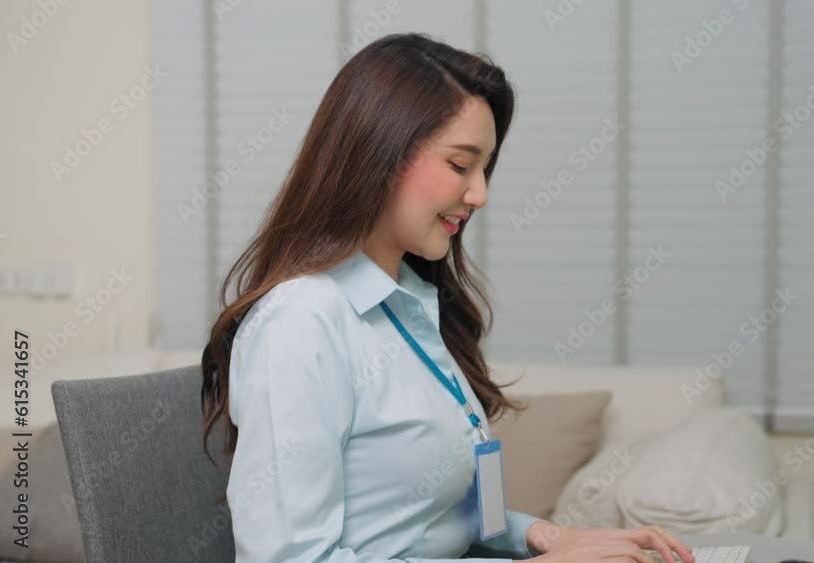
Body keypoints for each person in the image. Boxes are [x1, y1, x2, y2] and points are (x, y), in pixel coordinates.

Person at [200, 32, 695, 563]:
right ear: (379, 154)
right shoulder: (301, 322)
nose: (480, 194)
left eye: (484, 169)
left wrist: (545, 537)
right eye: (461, 166)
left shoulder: (409, 306)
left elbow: (442, 521)